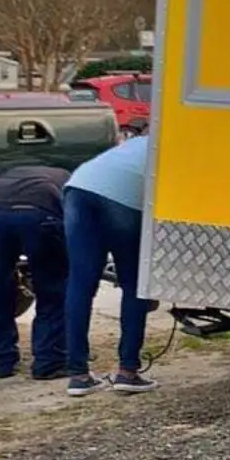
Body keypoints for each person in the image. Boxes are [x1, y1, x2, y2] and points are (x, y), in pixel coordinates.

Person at [62, 133, 156, 396]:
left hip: (78, 186)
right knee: (134, 284)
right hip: (123, 196)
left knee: (80, 283)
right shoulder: (176, 146)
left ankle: (78, 375)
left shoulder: (136, 143)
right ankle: (127, 371)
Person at [0, 164, 70, 380]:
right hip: (37, 213)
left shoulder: (13, 174)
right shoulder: (71, 181)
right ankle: (50, 362)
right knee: (52, 289)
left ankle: (1, 361)